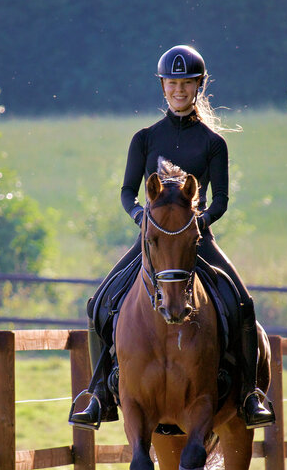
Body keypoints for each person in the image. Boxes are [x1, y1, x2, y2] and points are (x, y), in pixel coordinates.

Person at [69, 44, 274, 430]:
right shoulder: (144, 138)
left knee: (243, 304)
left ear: (199, 85)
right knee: (98, 303)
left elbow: (223, 199)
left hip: (197, 239)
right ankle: (98, 394)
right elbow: (128, 192)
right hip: (154, 240)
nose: (179, 89)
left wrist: (197, 223)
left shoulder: (214, 143)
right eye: (172, 83)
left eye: (187, 83)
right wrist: (140, 217)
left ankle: (248, 396)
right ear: (162, 86)